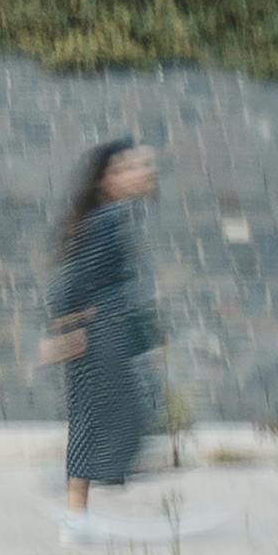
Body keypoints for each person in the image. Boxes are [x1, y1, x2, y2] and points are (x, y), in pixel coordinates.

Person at [49, 135, 169, 514]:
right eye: (130, 168)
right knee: (123, 413)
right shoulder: (107, 220)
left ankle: (76, 513)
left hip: (106, 330)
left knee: (89, 418)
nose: (143, 174)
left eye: (143, 166)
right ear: (107, 179)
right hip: (103, 334)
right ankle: (90, 494)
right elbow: (75, 279)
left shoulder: (109, 217)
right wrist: (66, 323)